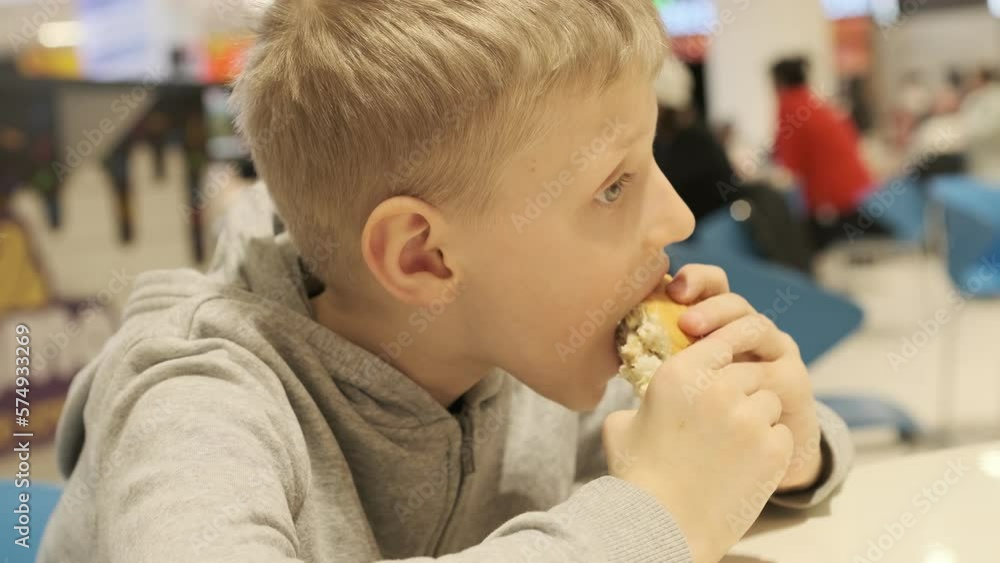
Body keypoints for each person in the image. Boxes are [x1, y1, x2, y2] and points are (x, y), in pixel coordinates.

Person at [39, 3, 853, 562]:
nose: (675, 217)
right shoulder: (196, 401)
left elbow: (679, 473)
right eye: (613, 186)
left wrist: (787, 447)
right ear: (423, 258)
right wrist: (651, 516)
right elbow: (651, 512)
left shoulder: (524, 354)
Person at [771, 57, 881, 250]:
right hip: (858, 192)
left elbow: (789, 164)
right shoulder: (814, 101)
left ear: (779, 81)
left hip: (833, 201)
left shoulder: (789, 104)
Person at [959, 67, 1000, 185]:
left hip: (992, 162)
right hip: (977, 162)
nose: (970, 81)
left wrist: (967, 132)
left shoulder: (995, 98)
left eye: (974, 78)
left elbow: (991, 127)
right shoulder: (974, 97)